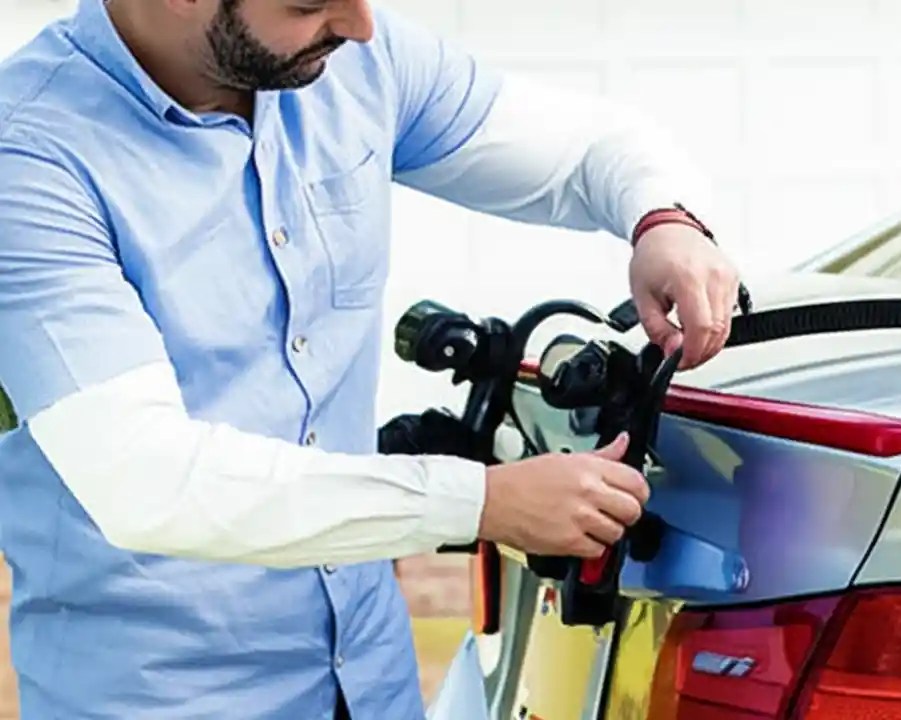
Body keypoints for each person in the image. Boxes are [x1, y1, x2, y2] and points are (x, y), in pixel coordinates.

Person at [0, 0, 741, 717]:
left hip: (370, 680)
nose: (359, 24)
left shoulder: (358, 61)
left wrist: (664, 219)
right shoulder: (28, 157)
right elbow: (148, 479)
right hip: (164, 696)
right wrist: (484, 500)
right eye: (310, 4)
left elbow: (587, 149)